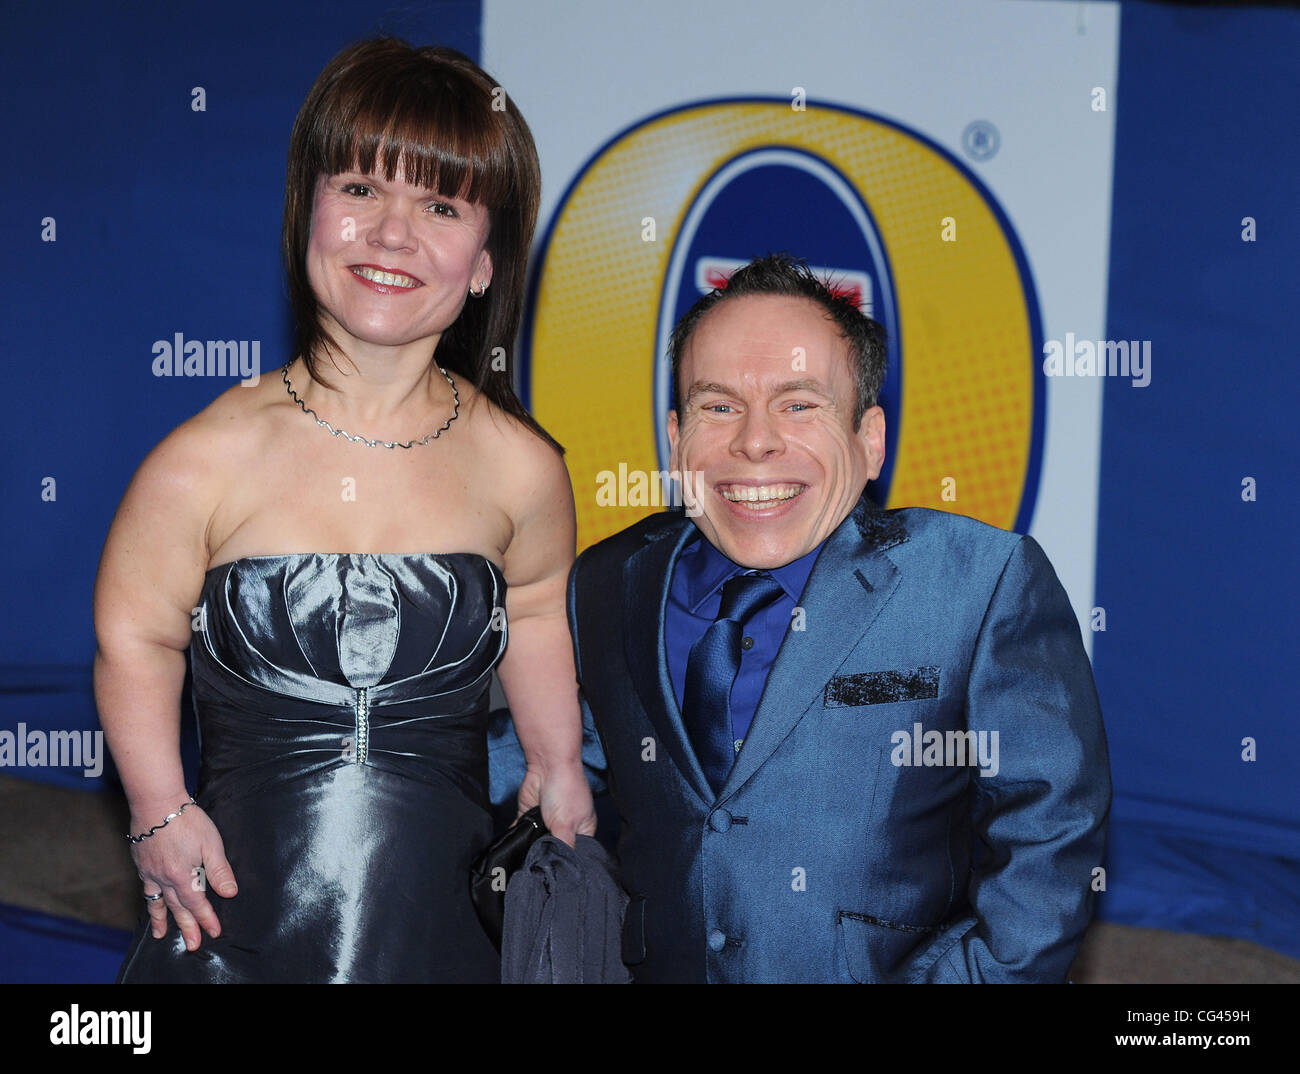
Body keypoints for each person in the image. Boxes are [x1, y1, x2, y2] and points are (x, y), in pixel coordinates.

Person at [98, 37, 594, 984]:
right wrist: (157, 813)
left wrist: (556, 761)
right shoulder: (203, 457)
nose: (392, 234)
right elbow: (136, 639)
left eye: (441, 205)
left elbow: (533, 610)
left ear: (485, 262)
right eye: (363, 189)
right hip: (228, 930)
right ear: (309, 212)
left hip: (445, 929)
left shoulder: (522, 468)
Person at [567, 253, 1111, 983]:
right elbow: (563, 763)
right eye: (718, 406)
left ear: (869, 439)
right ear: (675, 438)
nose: (754, 442)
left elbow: (1051, 832)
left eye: (799, 405)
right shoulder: (606, 581)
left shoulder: (978, 582)